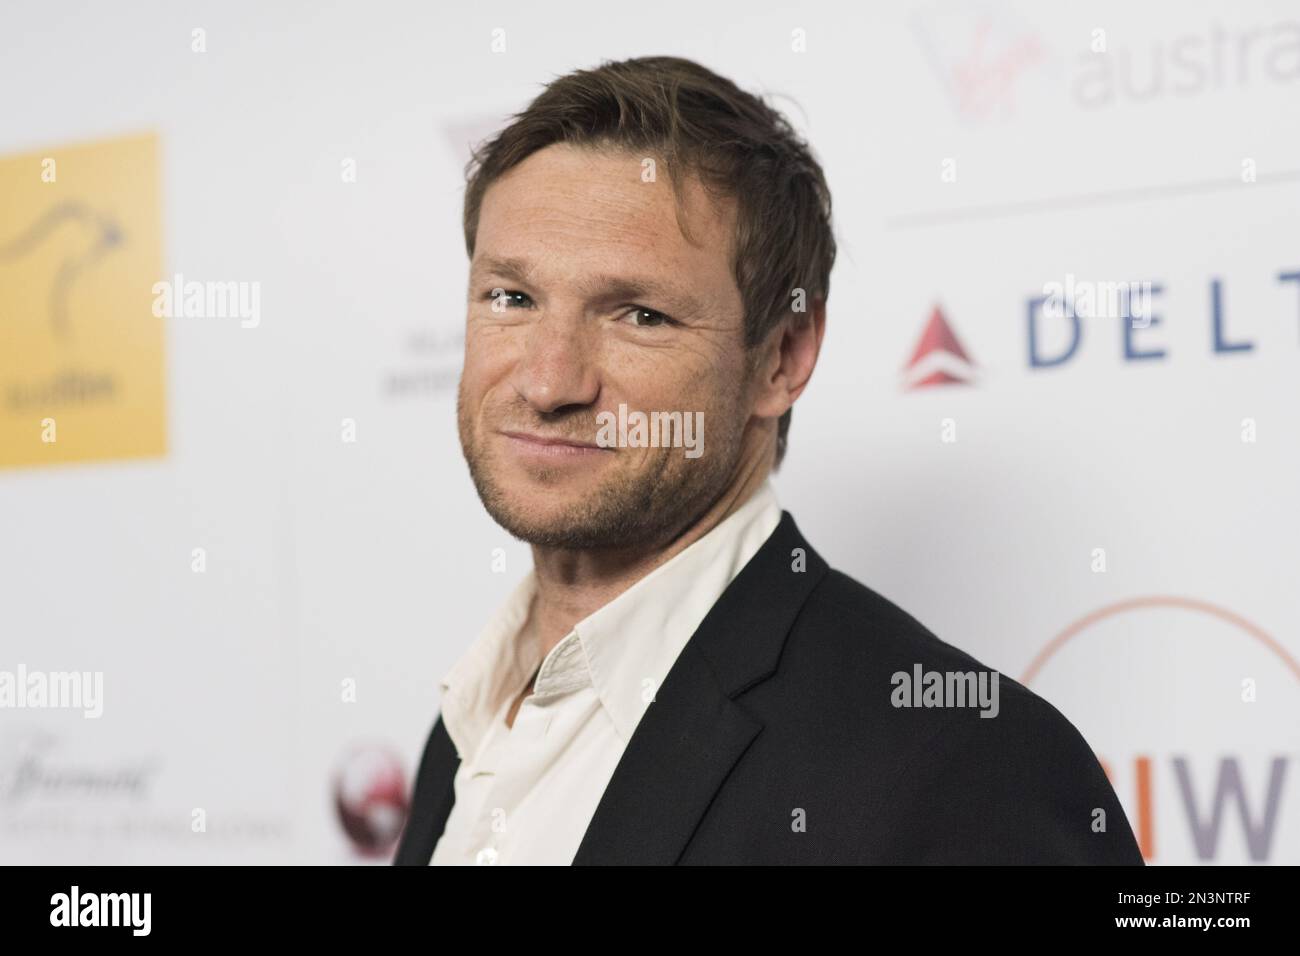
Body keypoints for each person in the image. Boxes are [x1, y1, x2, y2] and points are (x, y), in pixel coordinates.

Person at [394, 56, 1143, 865]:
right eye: (512, 298)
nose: (547, 381)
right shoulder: (475, 715)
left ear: (782, 356)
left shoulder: (967, 765)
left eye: (639, 315)